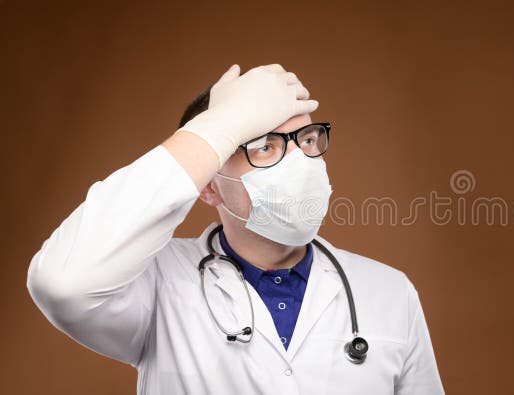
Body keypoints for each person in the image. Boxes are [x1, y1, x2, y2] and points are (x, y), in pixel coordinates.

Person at [26, 63, 445, 395]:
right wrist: (223, 123)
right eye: (265, 145)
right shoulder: (154, 285)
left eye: (308, 139)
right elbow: (63, 283)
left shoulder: (391, 293)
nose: (300, 160)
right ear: (209, 184)